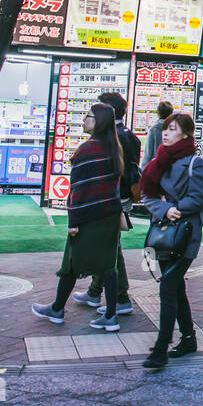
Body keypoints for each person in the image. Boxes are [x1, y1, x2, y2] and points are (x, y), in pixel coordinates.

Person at [31, 103, 126, 332]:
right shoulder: (114, 148)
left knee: (71, 264)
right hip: (109, 215)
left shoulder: (87, 149)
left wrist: (73, 222)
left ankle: (57, 309)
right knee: (108, 266)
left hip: (87, 217)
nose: (84, 120)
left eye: (89, 116)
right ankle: (110, 315)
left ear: (98, 121)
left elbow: (78, 189)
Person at [139, 113, 203, 371]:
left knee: (168, 286)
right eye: (165, 129)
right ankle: (189, 338)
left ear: (186, 134)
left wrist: (173, 208)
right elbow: (146, 196)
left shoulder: (195, 163)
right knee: (175, 286)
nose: (166, 133)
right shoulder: (158, 161)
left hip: (186, 234)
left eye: (172, 129)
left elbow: (198, 197)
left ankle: (161, 348)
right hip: (163, 234)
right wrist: (163, 209)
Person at [71, 91, 137, 316]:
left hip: (111, 200)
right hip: (116, 198)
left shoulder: (116, 136)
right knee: (108, 246)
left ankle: (120, 297)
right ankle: (95, 291)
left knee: (110, 248)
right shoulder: (124, 134)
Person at [142, 100, 174, 167]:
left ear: (158, 113)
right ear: (171, 113)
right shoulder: (175, 130)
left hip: (156, 168)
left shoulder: (153, 130)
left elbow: (148, 154)